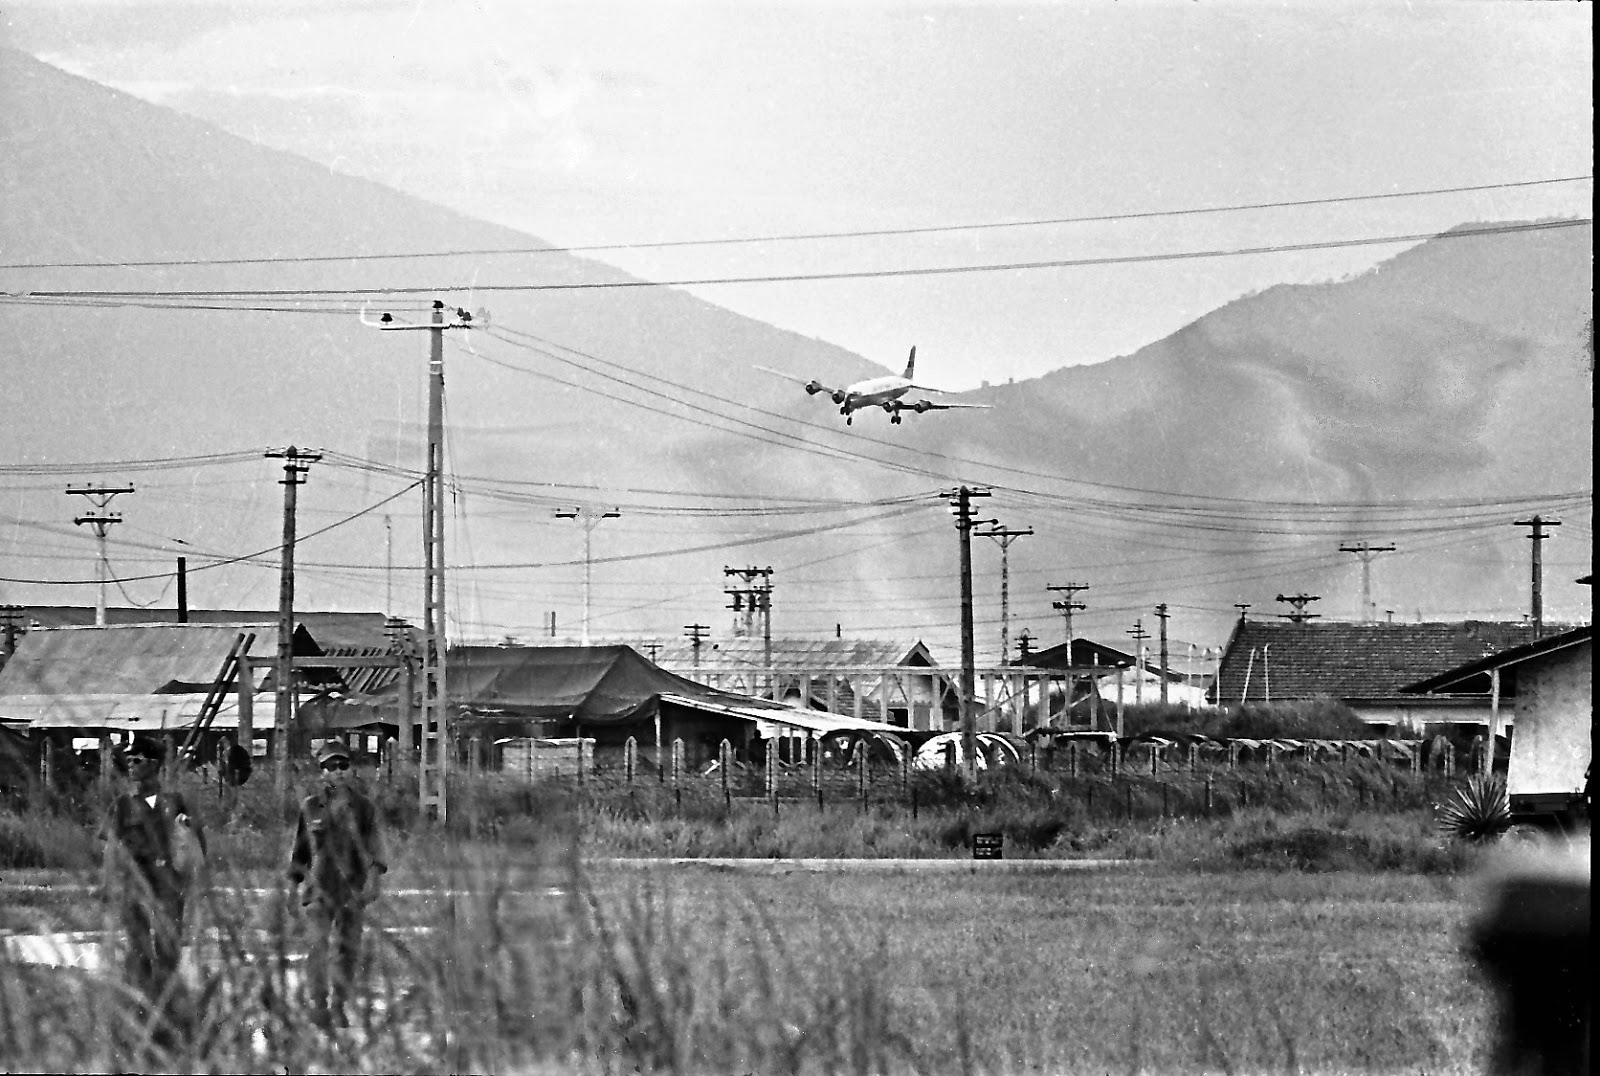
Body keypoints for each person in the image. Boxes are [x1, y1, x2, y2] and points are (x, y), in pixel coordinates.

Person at [101, 734, 205, 1037]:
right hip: (135, 888)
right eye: (128, 761)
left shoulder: (176, 802)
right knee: (138, 951)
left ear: (155, 765)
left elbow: (196, 848)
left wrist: (194, 883)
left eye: (137, 760)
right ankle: (140, 1016)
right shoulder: (121, 806)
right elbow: (110, 849)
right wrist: (108, 886)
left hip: (169, 888)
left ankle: (170, 1016)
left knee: (168, 952)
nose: (130, 766)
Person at [288, 738, 387, 1027]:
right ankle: (318, 1004)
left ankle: (339, 1004)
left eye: (343, 765)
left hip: (352, 889)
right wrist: (292, 888)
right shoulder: (310, 807)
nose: (338, 772)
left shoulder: (364, 807)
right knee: (317, 946)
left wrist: (374, 880)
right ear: (322, 772)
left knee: (348, 948)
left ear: (351, 769)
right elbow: (300, 851)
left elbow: (376, 847)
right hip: (319, 888)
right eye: (330, 767)